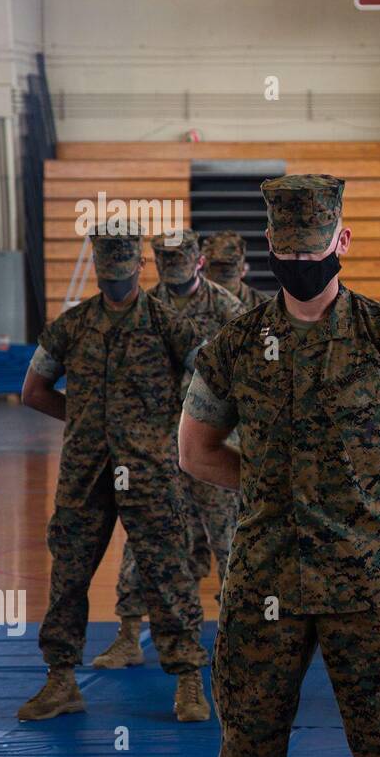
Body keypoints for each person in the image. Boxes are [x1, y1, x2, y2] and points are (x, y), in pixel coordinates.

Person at [180, 174, 380, 757]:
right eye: (287, 254)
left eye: (313, 252)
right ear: (269, 243)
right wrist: (269, 483)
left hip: (371, 585)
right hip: (266, 582)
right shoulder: (235, 343)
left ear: (342, 240)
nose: (300, 264)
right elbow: (194, 449)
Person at [19, 222, 209, 722]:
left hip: (150, 472)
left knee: (169, 574)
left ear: (139, 268)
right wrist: (82, 419)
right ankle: (61, 681)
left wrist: (169, 428)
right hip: (86, 474)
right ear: (100, 272)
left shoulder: (169, 324)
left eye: (123, 274)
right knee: (68, 577)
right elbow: (32, 391)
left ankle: (189, 682)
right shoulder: (72, 325)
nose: (117, 284)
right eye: (109, 275)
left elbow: (209, 385)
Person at [94, 230, 246, 668]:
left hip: (215, 445)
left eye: (181, 258)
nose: (174, 267)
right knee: (143, 540)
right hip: (155, 447)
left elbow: (248, 376)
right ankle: (127, 634)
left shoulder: (225, 308)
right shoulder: (142, 309)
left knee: (230, 542)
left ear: (198, 258)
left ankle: (239, 639)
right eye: (165, 259)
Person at [201, 229, 273, 308]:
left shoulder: (265, 306)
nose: (223, 273)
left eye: (229, 269)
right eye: (217, 267)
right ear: (244, 270)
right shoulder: (265, 305)